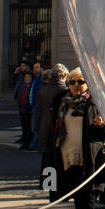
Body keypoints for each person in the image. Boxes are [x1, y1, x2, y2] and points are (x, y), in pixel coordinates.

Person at [50, 69, 105, 209]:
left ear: (87, 83)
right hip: (68, 155)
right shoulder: (61, 101)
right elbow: (53, 126)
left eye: (80, 81)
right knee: (78, 196)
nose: (76, 86)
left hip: (88, 156)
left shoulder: (96, 102)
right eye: (72, 82)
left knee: (88, 194)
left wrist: (101, 125)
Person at [36, 64, 69, 199]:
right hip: (57, 128)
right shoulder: (64, 92)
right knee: (58, 160)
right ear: (64, 76)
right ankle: (58, 189)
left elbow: (37, 111)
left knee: (47, 157)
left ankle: (47, 183)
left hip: (44, 126)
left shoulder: (42, 90)